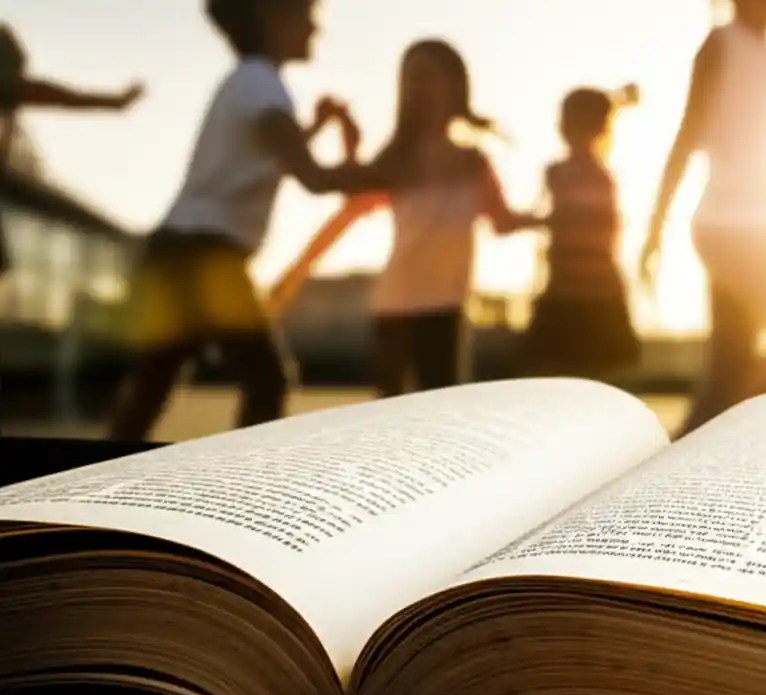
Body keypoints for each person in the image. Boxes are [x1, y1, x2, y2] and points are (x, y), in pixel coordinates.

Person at [108, 0, 389, 441]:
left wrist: (318, 129)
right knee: (267, 380)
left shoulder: (249, 83)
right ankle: (235, 489)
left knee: (152, 387)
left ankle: (85, 486)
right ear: (276, 20)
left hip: (176, 251)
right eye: (308, 20)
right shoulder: (262, 84)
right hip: (207, 253)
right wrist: (389, 172)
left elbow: (269, 156)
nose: (316, 32)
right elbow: (313, 176)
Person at [269, 39, 541, 397]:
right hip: (394, 306)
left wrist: (554, 218)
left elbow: (503, 222)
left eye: (428, 77)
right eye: (410, 78)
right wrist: (296, 272)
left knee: (441, 407)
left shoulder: (473, 162)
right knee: (389, 415)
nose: (418, 88)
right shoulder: (398, 160)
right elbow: (347, 212)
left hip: (446, 307)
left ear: (454, 85)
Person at [640, 0, 766, 437]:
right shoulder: (721, 43)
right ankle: (725, 433)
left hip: (765, 227)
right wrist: (654, 228)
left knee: (729, 365)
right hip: (730, 225)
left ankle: (692, 450)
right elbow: (688, 132)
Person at [0, 24, 144, 280]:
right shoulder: (8, 88)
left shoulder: (10, 99)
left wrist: (115, 103)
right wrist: (114, 102)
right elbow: (55, 95)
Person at [523, 86, 641, 379]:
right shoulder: (556, 173)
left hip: (593, 289)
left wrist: (550, 222)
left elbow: (600, 227)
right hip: (564, 285)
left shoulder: (600, 178)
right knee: (559, 372)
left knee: (592, 374)